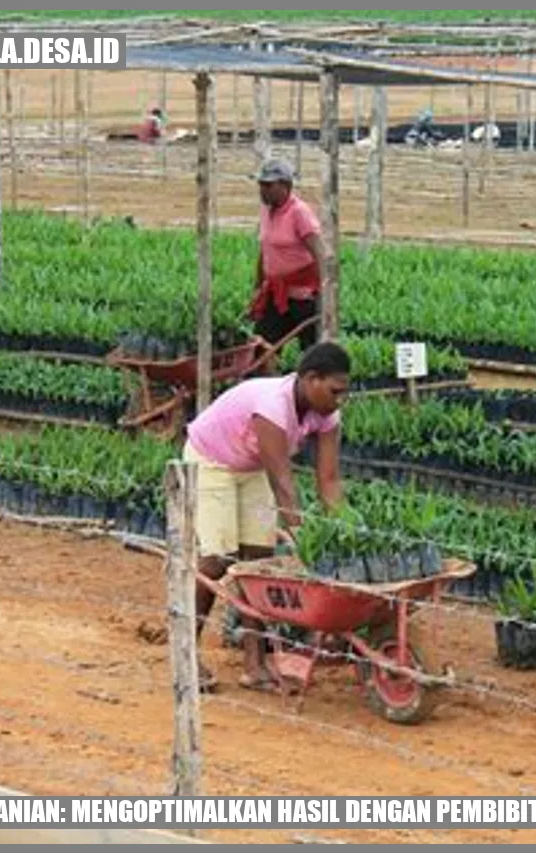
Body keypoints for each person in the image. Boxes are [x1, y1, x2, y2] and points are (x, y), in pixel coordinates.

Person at [183, 341, 350, 694]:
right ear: (310, 379)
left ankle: (254, 665)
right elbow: (284, 485)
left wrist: (344, 533)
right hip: (211, 461)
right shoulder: (273, 407)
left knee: (258, 565)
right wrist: (308, 547)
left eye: (343, 393)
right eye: (335, 391)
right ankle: (186, 653)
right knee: (218, 560)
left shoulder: (328, 415)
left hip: (250, 466)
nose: (339, 400)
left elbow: (330, 482)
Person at [249, 159, 330, 361]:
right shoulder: (267, 211)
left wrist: (325, 294)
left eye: (268, 186)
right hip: (276, 295)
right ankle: (266, 387)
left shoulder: (299, 213)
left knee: (312, 353)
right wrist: (258, 287)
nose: (263, 190)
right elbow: (265, 250)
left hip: (303, 298)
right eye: (261, 185)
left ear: (285, 186)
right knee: (262, 348)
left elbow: (321, 254)